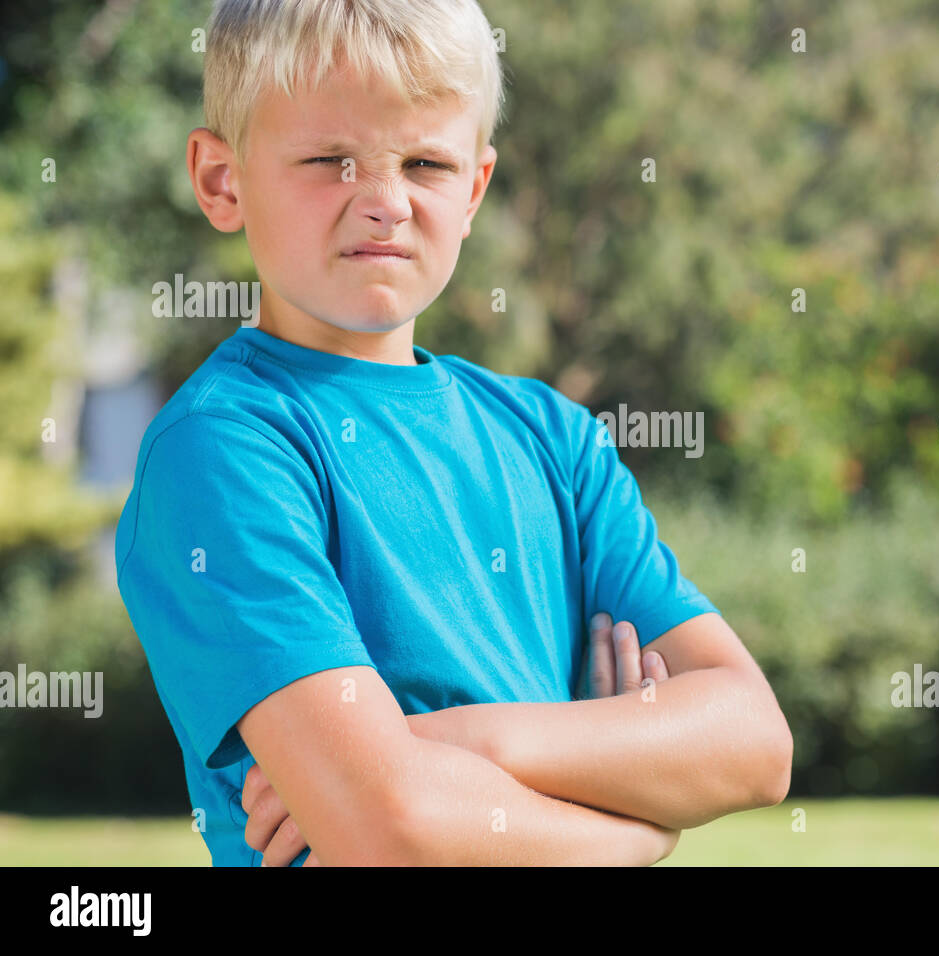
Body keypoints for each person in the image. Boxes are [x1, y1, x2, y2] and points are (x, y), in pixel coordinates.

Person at [114, 0, 792, 866]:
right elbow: (388, 828)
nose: (386, 203)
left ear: (473, 189)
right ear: (221, 181)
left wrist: (465, 745)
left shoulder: (554, 439)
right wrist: (640, 826)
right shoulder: (223, 450)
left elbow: (754, 741)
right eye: (331, 159)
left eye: (426, 162)